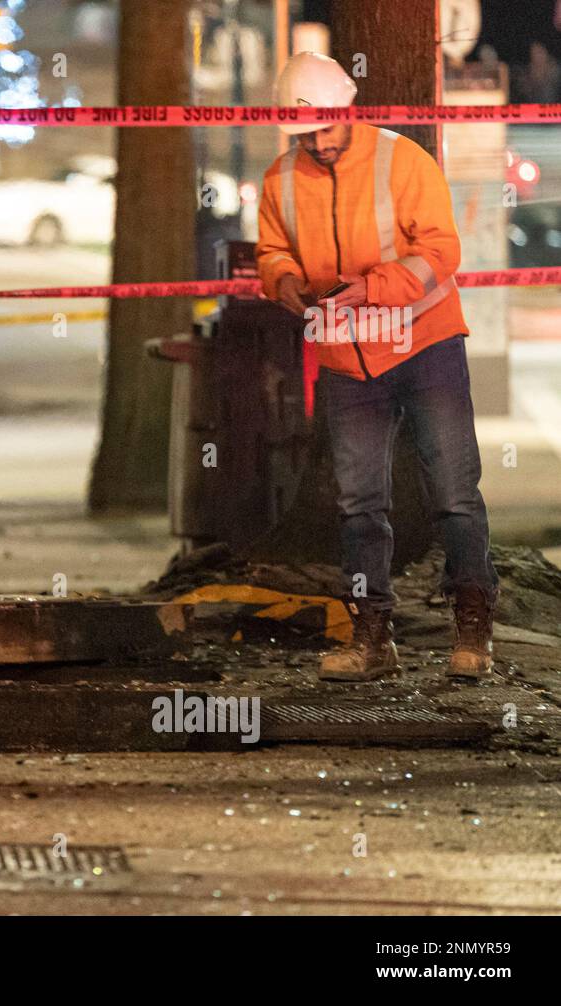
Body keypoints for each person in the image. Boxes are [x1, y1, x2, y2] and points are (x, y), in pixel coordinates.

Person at [256, 52, 498, 682]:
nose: (318, 140)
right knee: (358, 504)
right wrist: (282, 281)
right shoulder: (280, 178)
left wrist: (372, 288)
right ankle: (371, 637)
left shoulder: (401, 161)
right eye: (305, 131)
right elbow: (272, 251)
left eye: (327, 126)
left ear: (350, 109)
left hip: (425, 345)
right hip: (347, 360)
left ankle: (473, 626)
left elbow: (441, 250)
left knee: (454, 494)